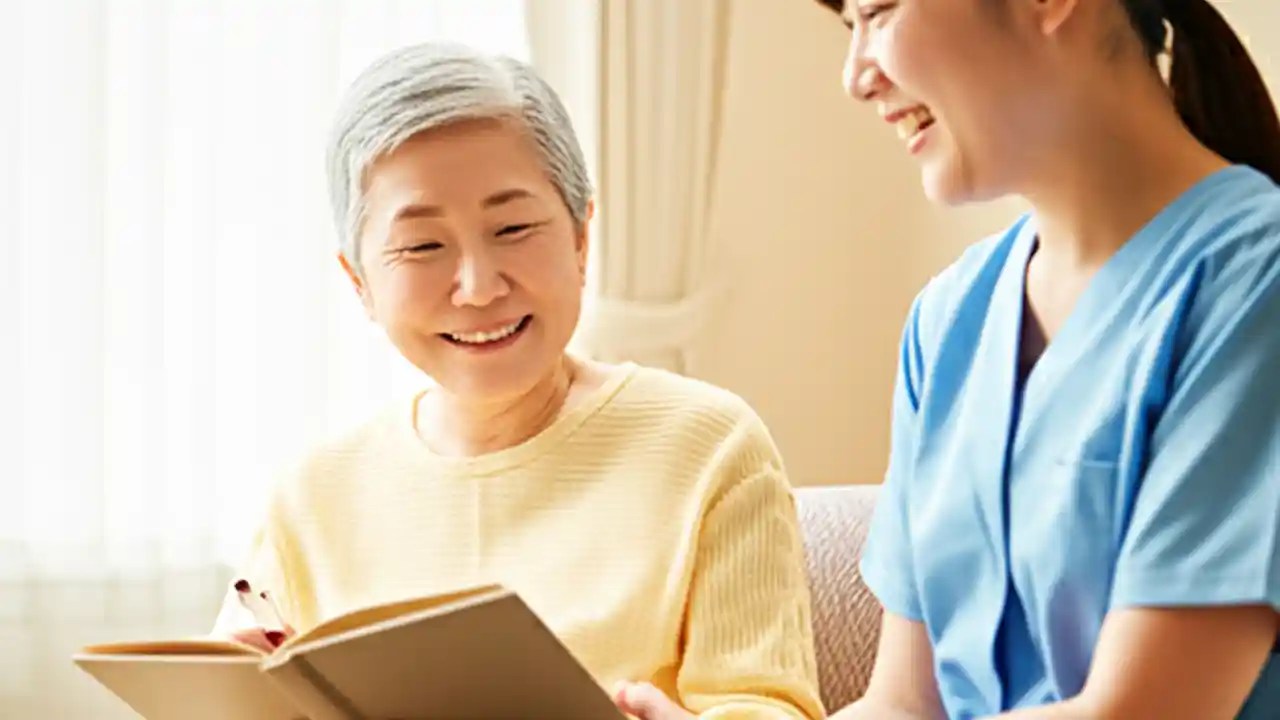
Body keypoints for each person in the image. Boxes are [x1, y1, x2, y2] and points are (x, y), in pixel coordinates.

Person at [620, 0, 1280, 718]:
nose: (855, 76)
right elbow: (904, 704)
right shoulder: (948, 320)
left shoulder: (1254, 282)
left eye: (877, 11)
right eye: (850, 28)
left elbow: (1144, 712)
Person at [211, 42, 825, 720]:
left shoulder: (708, 446)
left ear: (581, 239)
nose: (478, 287)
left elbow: (770, 707)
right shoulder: (314, 495)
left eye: (512, 227)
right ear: (360, 283)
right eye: (421, 246)